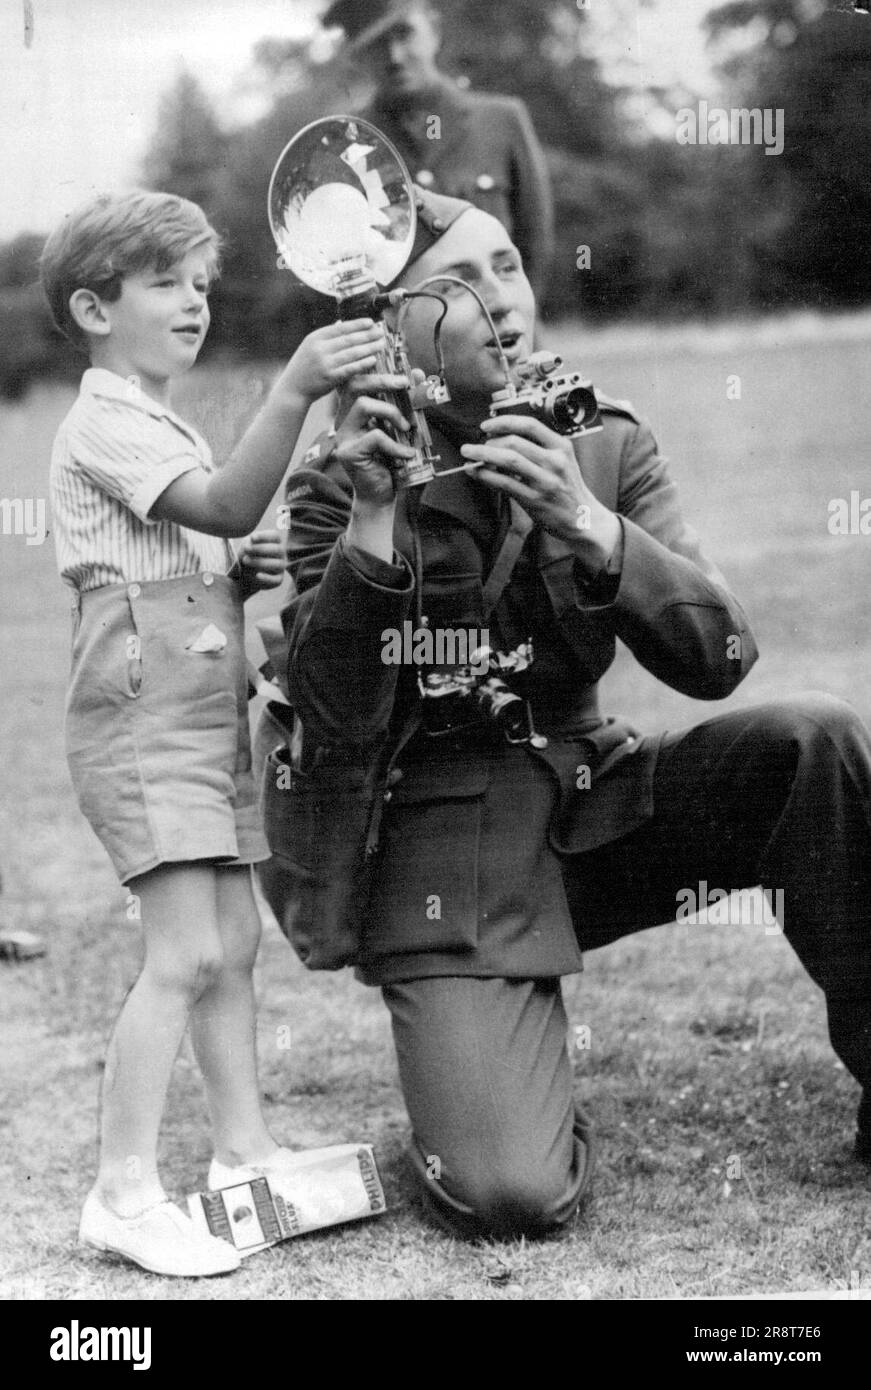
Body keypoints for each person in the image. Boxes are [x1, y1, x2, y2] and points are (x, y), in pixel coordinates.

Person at [259, 186, 871, 1240]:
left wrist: (591, 527)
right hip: (443, 852)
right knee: (507, 1194)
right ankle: (489, 1074)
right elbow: (335, 723)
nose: (500, 300)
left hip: (596, 807)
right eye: (457, 285)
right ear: (394, 332)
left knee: (812, 738)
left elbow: (720, 658)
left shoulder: (604, 443)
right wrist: (371, 518)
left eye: (506, 267)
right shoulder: (334, 479)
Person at [41, 189, 386, 1275]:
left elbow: (206, 544)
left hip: (196, 707)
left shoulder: (158, 416)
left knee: (233, 945)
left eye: (201, 283)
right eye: (164, 284)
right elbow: (232, 501)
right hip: (143, 716)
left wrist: (238, 578)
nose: (194, 302)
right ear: (94, 308)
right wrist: (295, 387)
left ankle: (242, 1157)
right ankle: (122, 1191)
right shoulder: (101, 418)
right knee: (184, 952)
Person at [322, 0, 555, 298]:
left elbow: (534, 245)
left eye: (405, 34)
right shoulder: (348, 143)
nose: (394, 57)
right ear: (356, 56)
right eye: (376, 45)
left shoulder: (502, 120)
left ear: (434, 31)